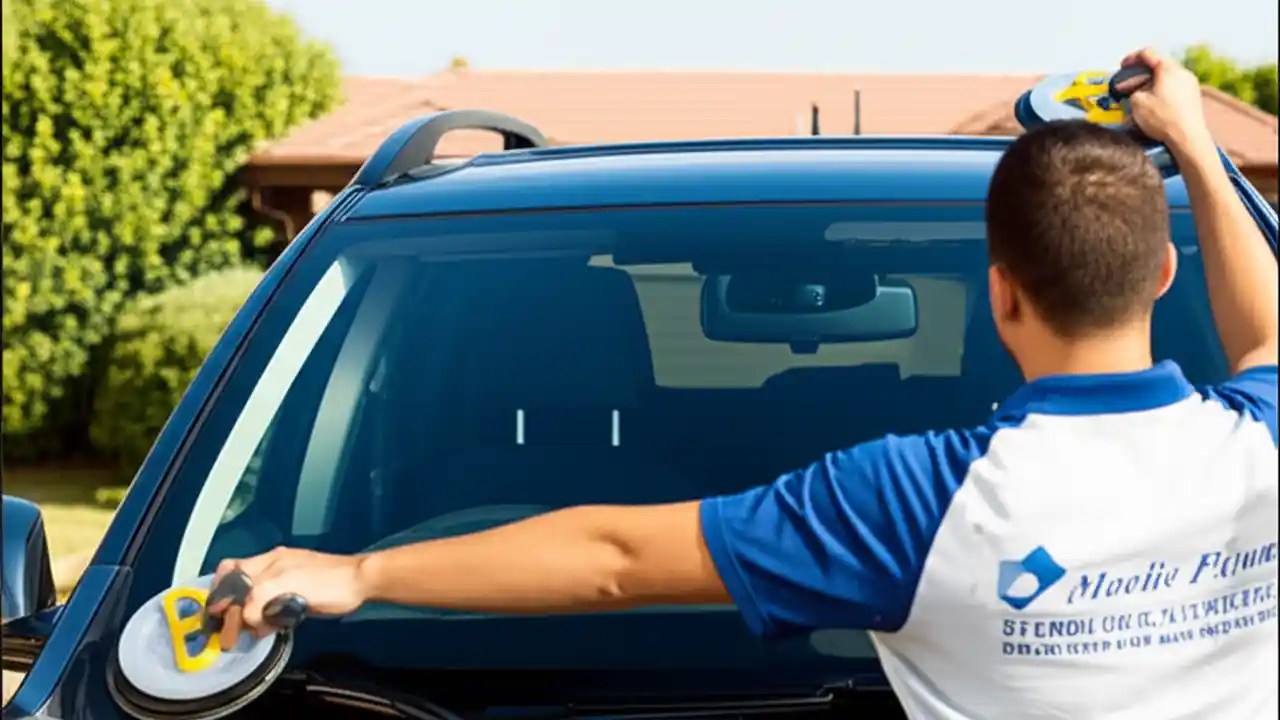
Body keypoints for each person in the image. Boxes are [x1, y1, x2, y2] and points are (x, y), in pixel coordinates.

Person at [208, 47, 1278, 718]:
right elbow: (1261, 328)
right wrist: (1190, 144)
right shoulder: (1259, 444)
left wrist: (358, 575)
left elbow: (615, 559)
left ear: (998, 295)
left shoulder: (913, 504)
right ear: (1161, 270)